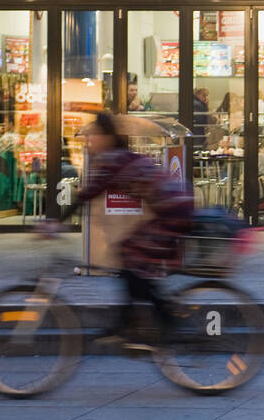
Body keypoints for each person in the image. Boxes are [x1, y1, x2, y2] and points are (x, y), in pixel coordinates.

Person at [40, 112, 194, 349]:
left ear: (108, 137)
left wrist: (56, 222)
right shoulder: (119, 157)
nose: (91, 142)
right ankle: (130, 322)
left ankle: (161, 323)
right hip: (171, 209)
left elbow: (87, 193)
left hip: (172, 212)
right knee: (130, 257)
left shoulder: (114, 160)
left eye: (95, 137)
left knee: (132, 256)